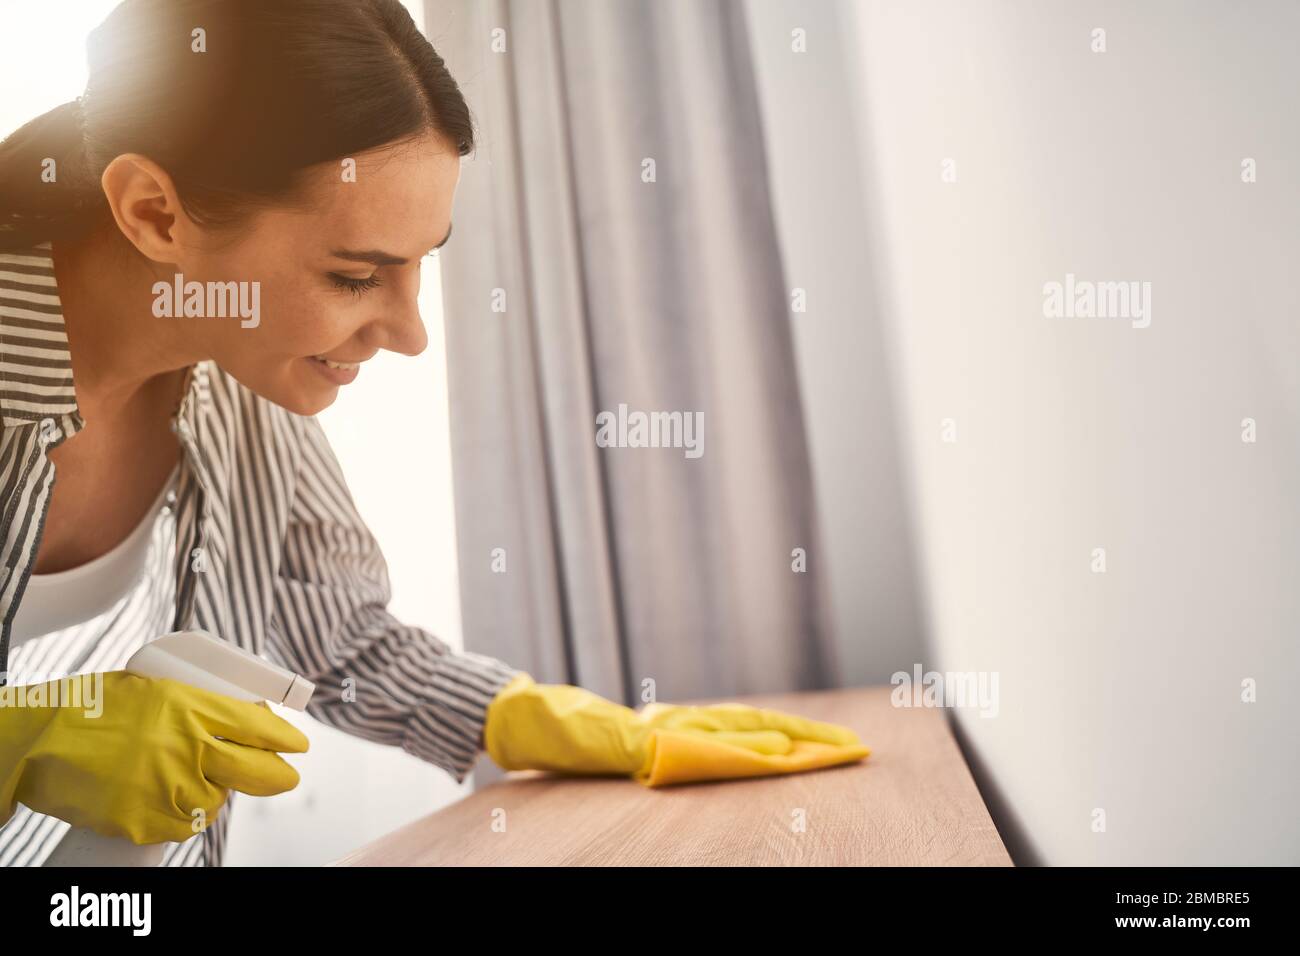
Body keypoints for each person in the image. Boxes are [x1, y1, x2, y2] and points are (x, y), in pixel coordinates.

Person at [0, 0, 868, 867]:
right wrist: (25, 742)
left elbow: (339, 641)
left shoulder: (239, 376)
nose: (412, 334)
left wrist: (536, 719)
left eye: (419, 263)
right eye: (353, 275)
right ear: (155, 213)